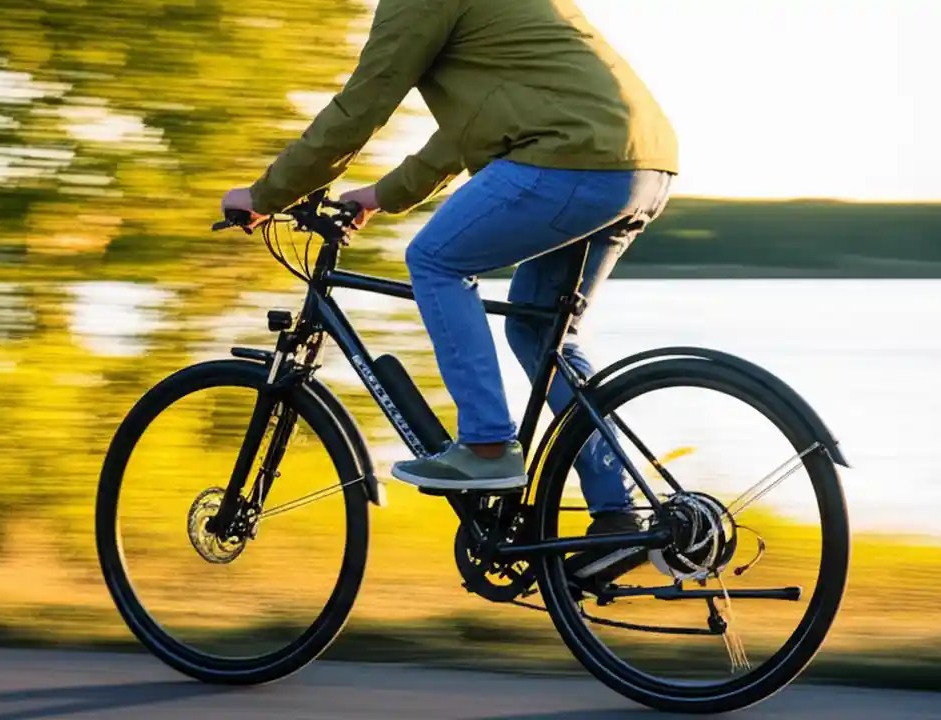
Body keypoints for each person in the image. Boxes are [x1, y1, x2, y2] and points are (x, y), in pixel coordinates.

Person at [222, 0, 676, 568]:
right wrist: (382, 194)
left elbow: (362, 105)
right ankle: (619, 518)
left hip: (571, 157)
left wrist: (265, 195)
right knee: (538, 332)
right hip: (639, 165)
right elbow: (473, 125)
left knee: (435, 261)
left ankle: (487, 446)